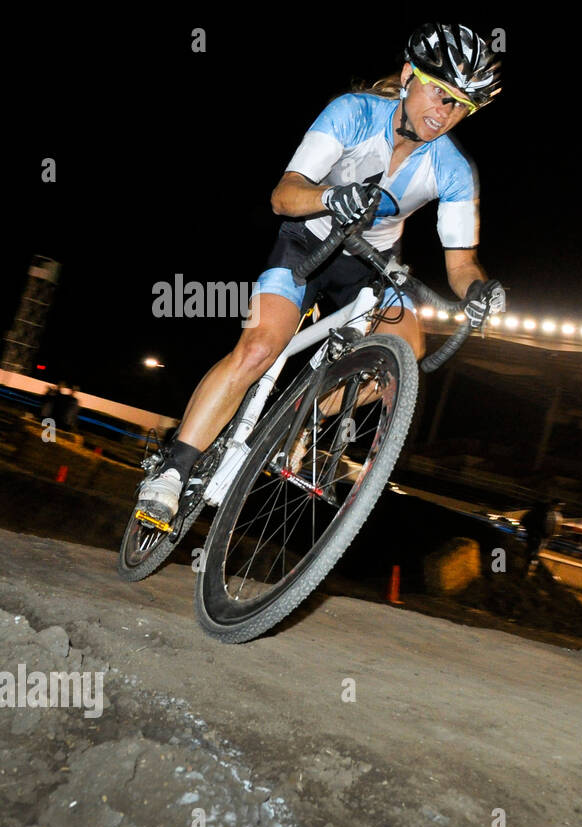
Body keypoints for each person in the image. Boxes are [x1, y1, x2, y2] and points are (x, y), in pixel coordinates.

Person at [134, 23, 506, 525]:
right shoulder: (353, 112)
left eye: (460, 105)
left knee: (405, 358)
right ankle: (173, 472)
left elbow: (461, 263)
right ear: (407, 75)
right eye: (438, 93)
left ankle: (299, 423)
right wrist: (331, 197)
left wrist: (478, 291)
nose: (444, 112)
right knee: (261, 347)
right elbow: (283, 196)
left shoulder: (455, 169)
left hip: (371, 262)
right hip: (308, 238)